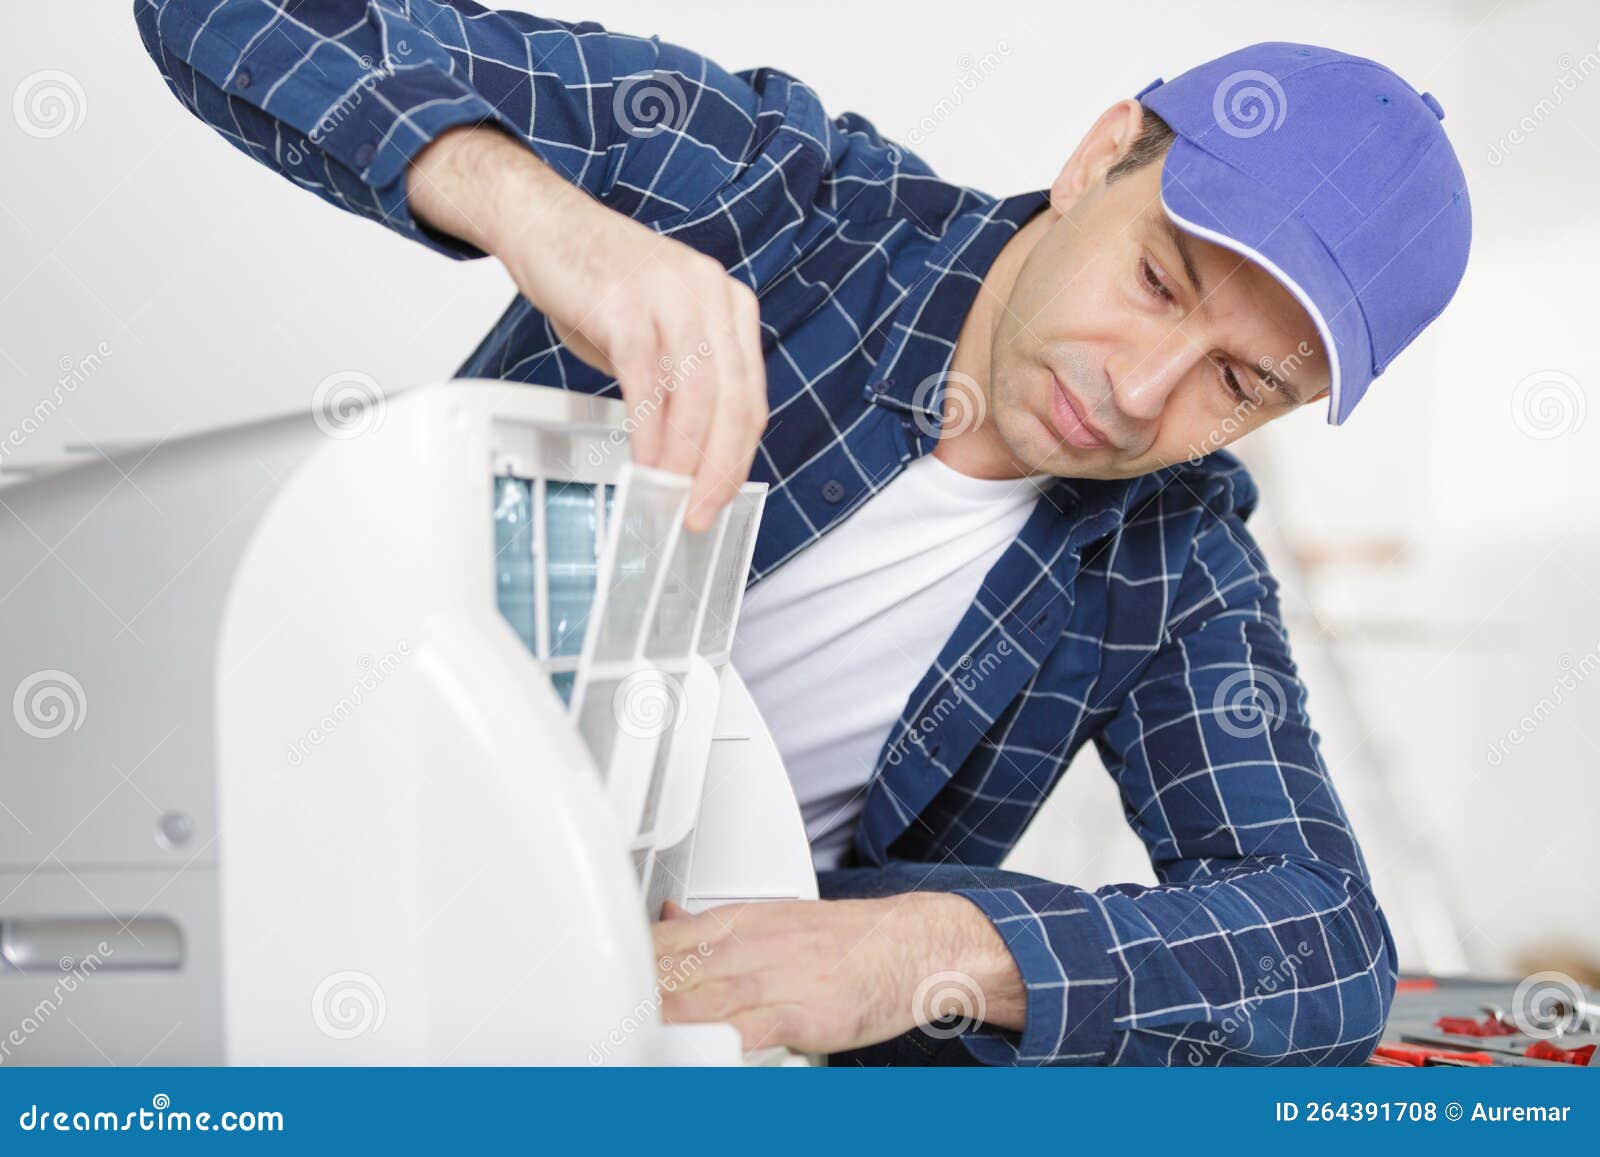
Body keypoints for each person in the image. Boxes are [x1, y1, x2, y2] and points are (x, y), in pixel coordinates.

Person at [135, 0, 1471, 1065]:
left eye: (1237, 383)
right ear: (1095, 157)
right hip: (292, 856)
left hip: (623, 1041)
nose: (1138, 390)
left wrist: (932, 948)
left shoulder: (1174, 562)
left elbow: (1326, 944)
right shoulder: (764, 190)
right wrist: (541, 216)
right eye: (1158, 281)